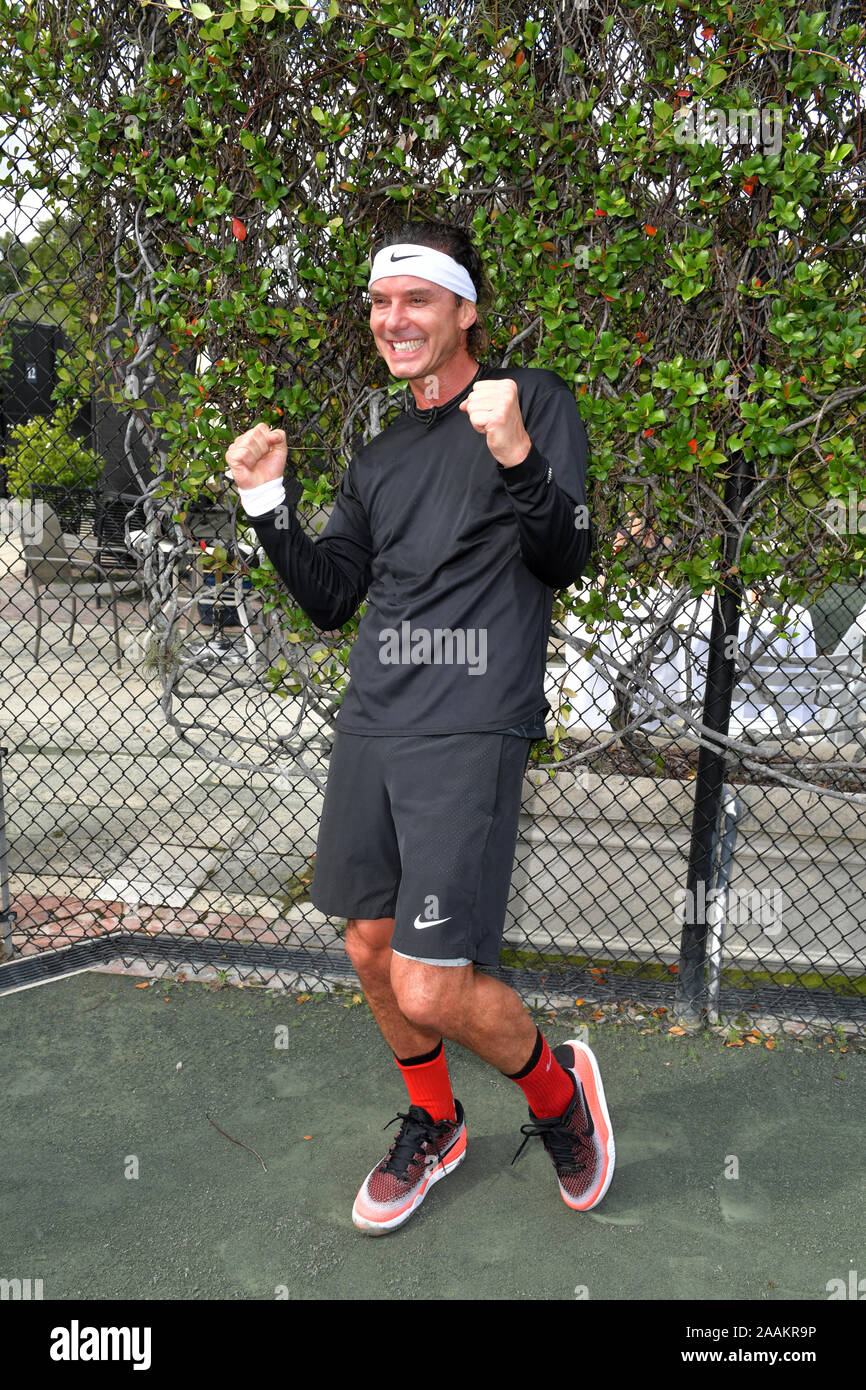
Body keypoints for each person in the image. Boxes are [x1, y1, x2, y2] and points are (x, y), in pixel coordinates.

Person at [225, 218, 614, 1234]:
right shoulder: (380, 456)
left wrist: (519, 455)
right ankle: (437, 1125)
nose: (393, 320)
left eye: (417, 300)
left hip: (469, 722)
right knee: (365, 943)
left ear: (464, 311)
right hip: (375, 721)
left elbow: (566, 551)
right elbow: (328, 596)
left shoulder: (532, 402)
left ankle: (559, 1099)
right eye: (380, 303)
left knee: (432, 986)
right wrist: (268, 504)